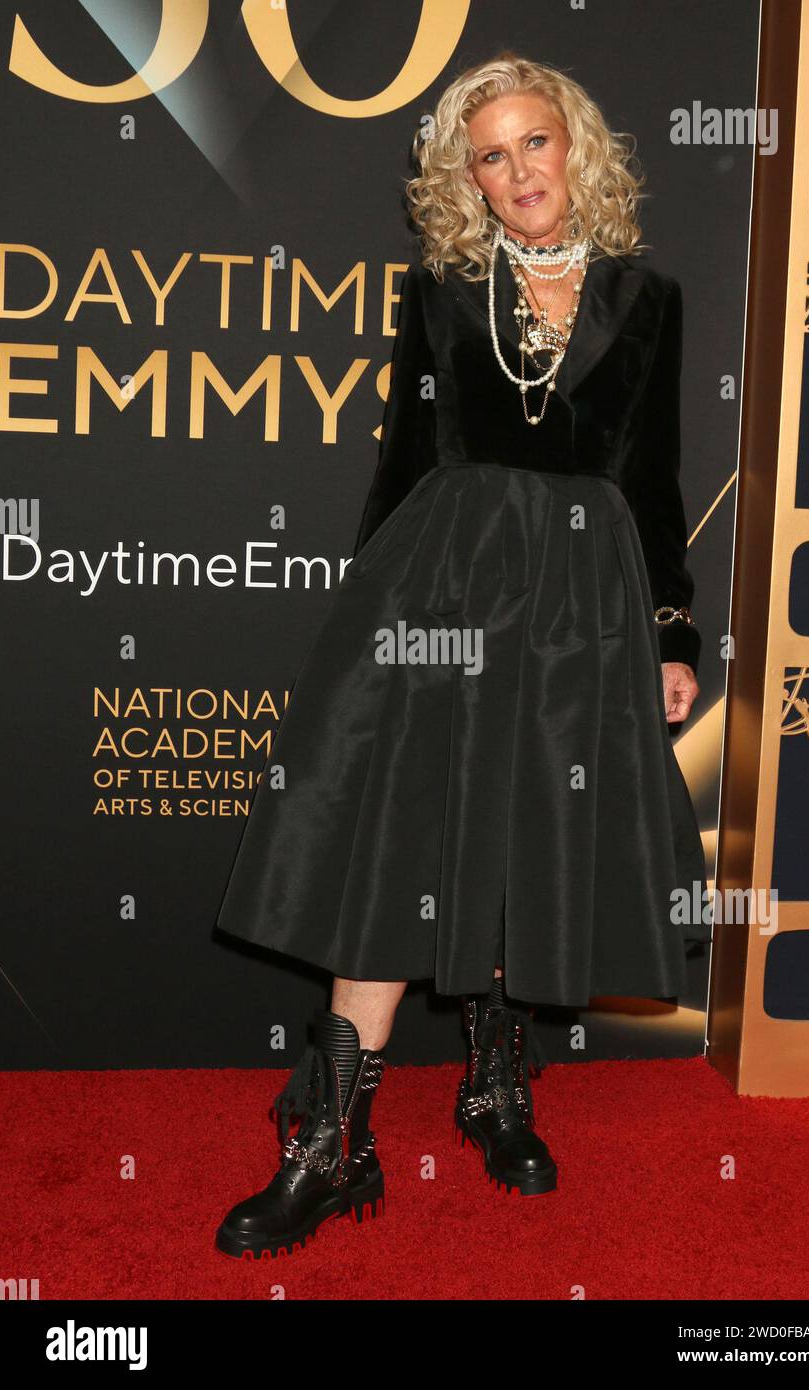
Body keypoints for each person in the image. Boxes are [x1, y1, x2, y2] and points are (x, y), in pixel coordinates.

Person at [213, 51, 709, 1261]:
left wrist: (671, 633)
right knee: (402, 843)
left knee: (522, 828)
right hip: (445, 579)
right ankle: (328, 1147)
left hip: (582, 595)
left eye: (531, 141)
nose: (514, 168)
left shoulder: (647, 302)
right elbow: (401, 456)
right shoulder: (442, 290)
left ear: (572, 146)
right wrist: (365, 610)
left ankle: (494, 1086)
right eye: (488, 154)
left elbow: (650, 483)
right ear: (467, 181)